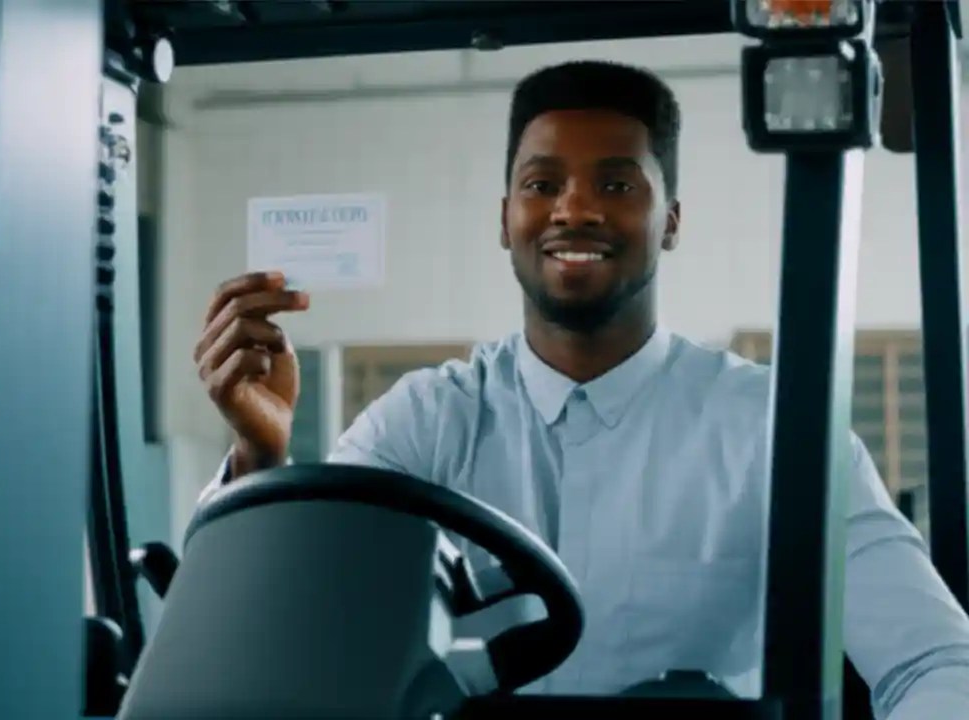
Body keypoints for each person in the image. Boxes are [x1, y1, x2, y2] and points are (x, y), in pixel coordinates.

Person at [190, 61, 969, 715]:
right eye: (542, 183)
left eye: (618, 185)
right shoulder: (425, 422)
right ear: (506, 218)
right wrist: (261, 453)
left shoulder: (776, 429)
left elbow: (936, 663)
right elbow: (282, 640)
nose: (575, 208)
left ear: (670, 220)